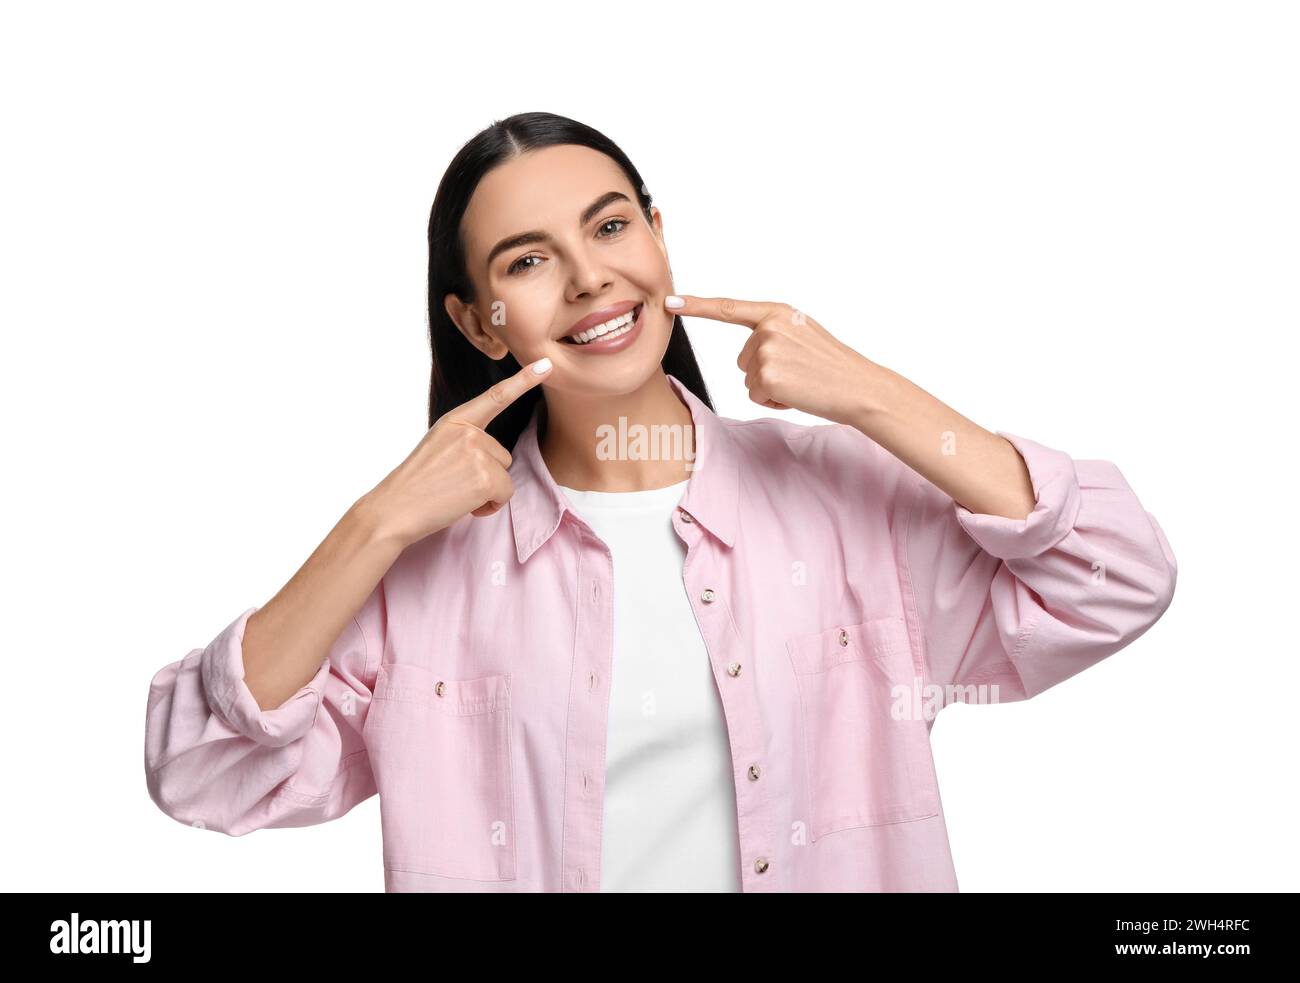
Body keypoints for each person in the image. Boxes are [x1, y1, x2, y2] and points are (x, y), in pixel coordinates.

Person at [144, 111, 1177, 892]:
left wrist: (869, 393)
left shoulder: (843, 506)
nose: (592, 278)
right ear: (479, 320)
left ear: (657, 233)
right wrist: (371, 526)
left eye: (610, 226)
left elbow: (1117, 576)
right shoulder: (423, 575)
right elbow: (199, 769)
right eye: (529, 260)